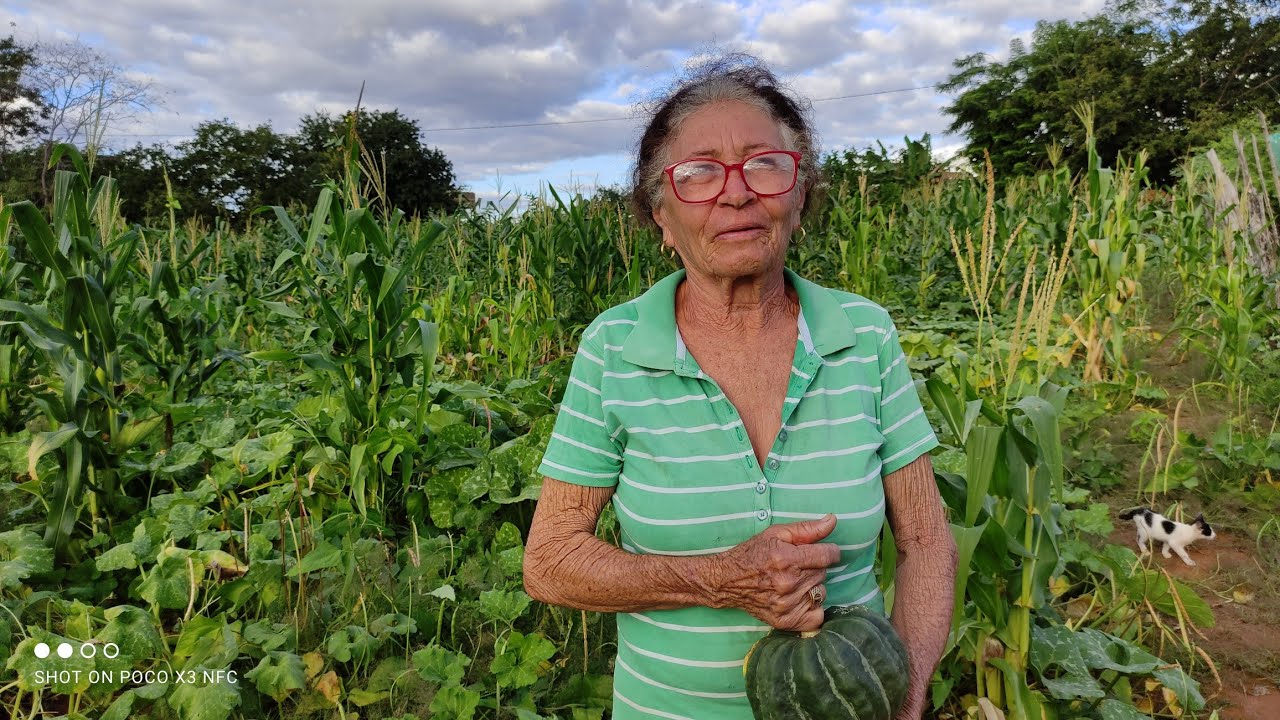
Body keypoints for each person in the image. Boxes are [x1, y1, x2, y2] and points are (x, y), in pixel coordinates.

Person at [523, 54, 957, 720]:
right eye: (697, 173)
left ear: (800, 193)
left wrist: (906, 692)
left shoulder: (864, 336)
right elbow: (550, 561)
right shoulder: (614, 347)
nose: (736, 193)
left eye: (765, 164)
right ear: (661, 216)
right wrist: (722, 578)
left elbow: (925, 539)